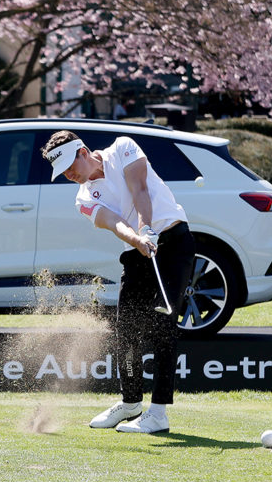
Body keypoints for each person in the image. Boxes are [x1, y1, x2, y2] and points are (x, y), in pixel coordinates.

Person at [41, 130, 196, 434]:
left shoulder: (123, 148)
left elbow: (140, 190)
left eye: (72, 168)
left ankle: (158, 413)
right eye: (64, 174)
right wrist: (139, 239)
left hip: (173, 241)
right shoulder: (83, 199)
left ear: (83, 152)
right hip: (136, 250)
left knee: (164, 325)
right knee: (125, 328)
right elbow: (115, 223)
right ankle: (130, 403)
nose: (71, 176)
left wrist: (148, 229)